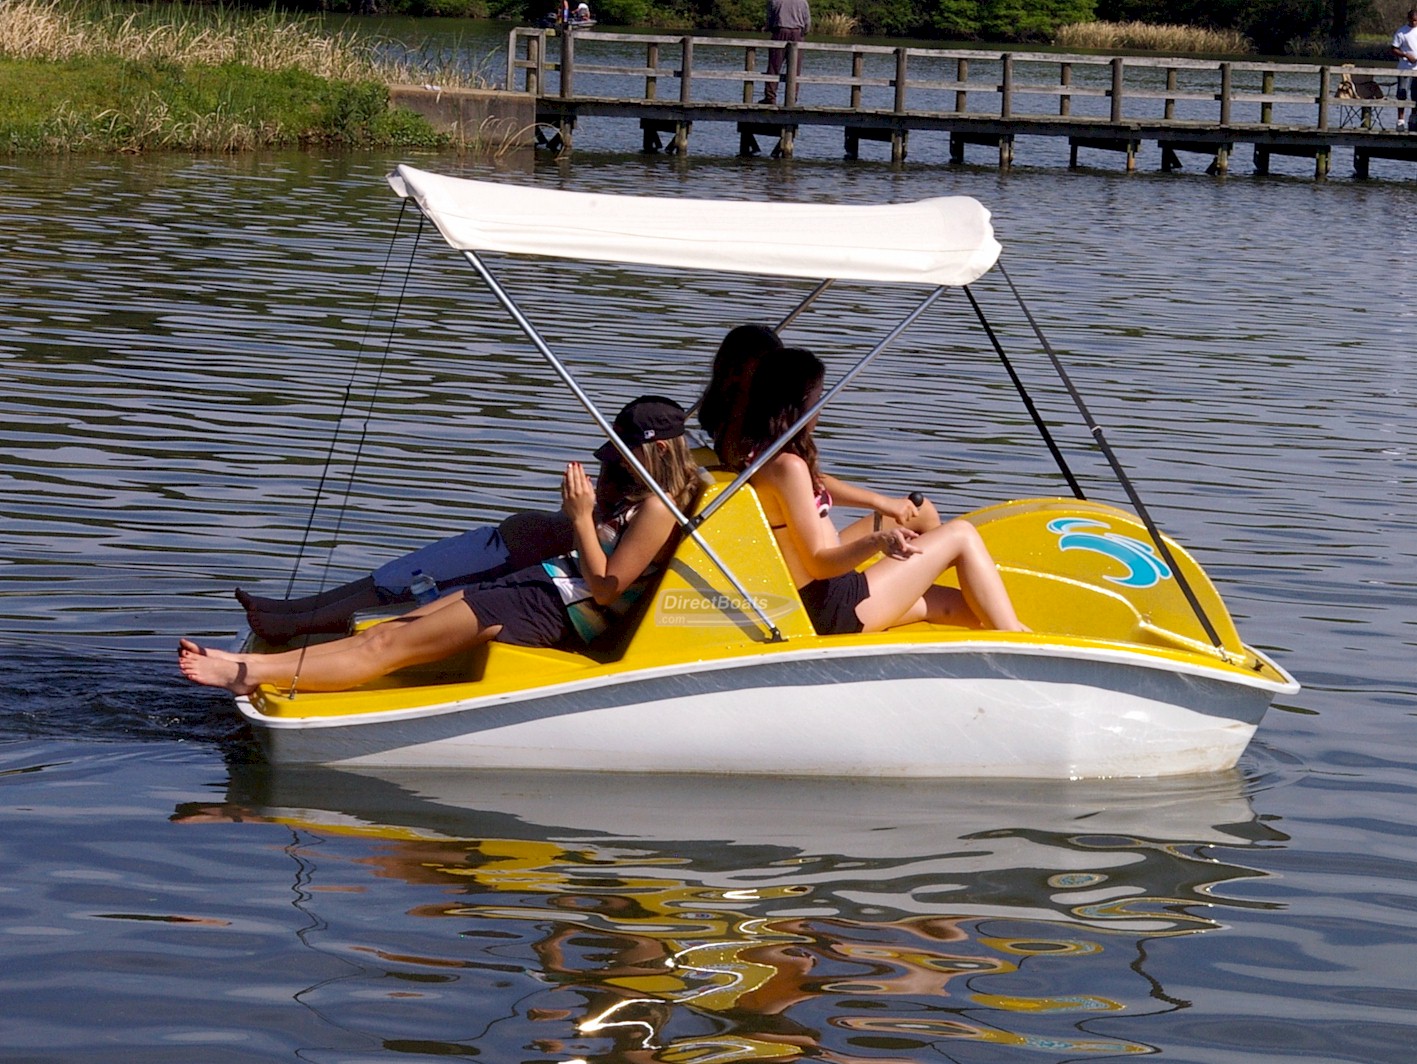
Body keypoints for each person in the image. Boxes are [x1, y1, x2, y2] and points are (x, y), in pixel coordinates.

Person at [179, 396, 699, 695]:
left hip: (553, 611)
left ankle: (245, 673)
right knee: (395, 625)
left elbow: (607, 588)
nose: (613, 464)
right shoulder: (651, 495)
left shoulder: (658, 508)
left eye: (623, 453)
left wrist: (582, 517)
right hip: (546, 586)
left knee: (386, 644)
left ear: (652, 452)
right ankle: (270, 659)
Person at [718, 346, 1027, 636]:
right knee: (962, 534)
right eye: (817, 401)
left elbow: (818, 484)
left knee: (959, 604)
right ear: (797, 405)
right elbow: (818, 563)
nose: (820, 411)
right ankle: (1018, 641)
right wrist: (877, 542)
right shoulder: (787, 466)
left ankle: (974, 606)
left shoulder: (759, 452)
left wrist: (883, 503)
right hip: (835, 605)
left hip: (822, 596)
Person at [699, 323, 941, 543]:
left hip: (798, 540)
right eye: (770, 365)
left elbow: (808, 482)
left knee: (916, 513)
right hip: (812, 553)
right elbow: (804, 483)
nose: (776, 374)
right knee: (924, 512)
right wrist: (881, 503)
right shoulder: (751, 433)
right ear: (738, 370)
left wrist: (881, 502)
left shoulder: (725, 419)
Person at [236, 509, 574, 644]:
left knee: (398, 588)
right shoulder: (618, 481)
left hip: (504, 562)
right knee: (388, 576)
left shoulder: (624, 506)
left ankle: (295, 625)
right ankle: (293, 609)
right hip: (493, 545)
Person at [761, 0, 810, 105]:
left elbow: (770, 18)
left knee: (774, 67)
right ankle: (793, 98)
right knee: (795, 69)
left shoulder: (775, 0)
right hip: (797, 33)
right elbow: (807, 22)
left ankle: (770, 97)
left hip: (780, 32)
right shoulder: (803, 1)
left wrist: (768, 28)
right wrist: (803, 33)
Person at [1395, 9, 1417, 132]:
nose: (1414, 23)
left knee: (1416, 95)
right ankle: (1400, 121)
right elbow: (1394, 48)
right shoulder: (1401, 32)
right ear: (1408, 19)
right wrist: (1406, 55)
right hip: (1404, 68)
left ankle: (1413, 119)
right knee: (1402, 93)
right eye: (1412, 20)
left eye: (1416, 20)